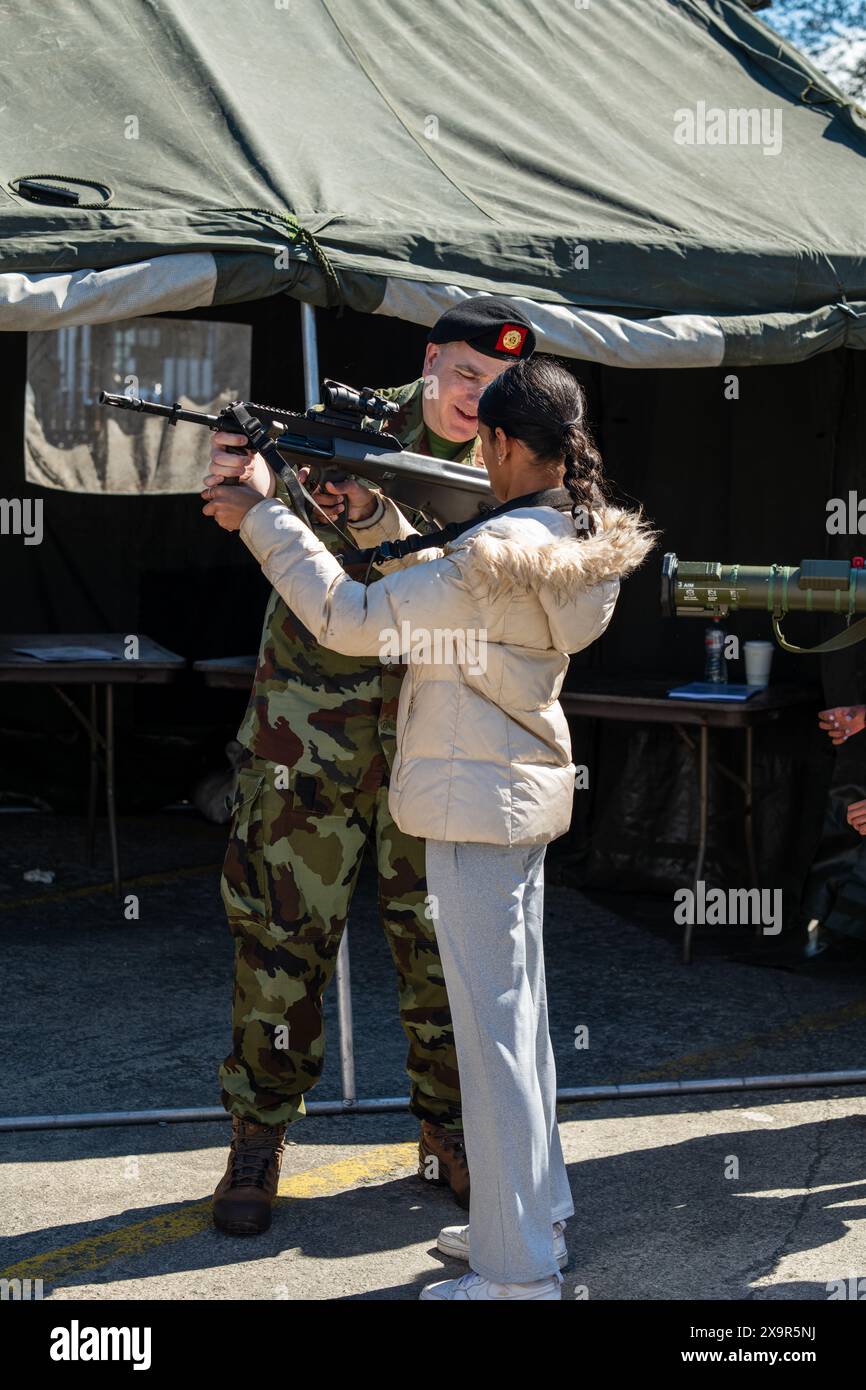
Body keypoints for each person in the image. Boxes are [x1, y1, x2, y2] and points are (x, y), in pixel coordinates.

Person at [202, 354, 655, 1299]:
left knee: (492, 1045)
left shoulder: (488, 558)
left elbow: (350, 615)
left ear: (495, 442)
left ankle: (515, 1271)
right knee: (516, 1028)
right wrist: (369, 514)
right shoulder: (566, 538)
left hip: (468, 804)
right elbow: (444, 582)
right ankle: (531, 1221)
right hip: (515, 801)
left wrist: (264, 516)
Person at [206, 296, 538, 1234]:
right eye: (466, 375)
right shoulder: (340, 427)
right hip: (308, 733)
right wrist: (254, 481)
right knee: (281, 939)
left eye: (499, 384)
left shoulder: (518, 460)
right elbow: (261, 498)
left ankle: (449, 1133)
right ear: (430, 361)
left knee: (438, 944)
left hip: (436, 732)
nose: (480, 399)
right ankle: (257, 1140)